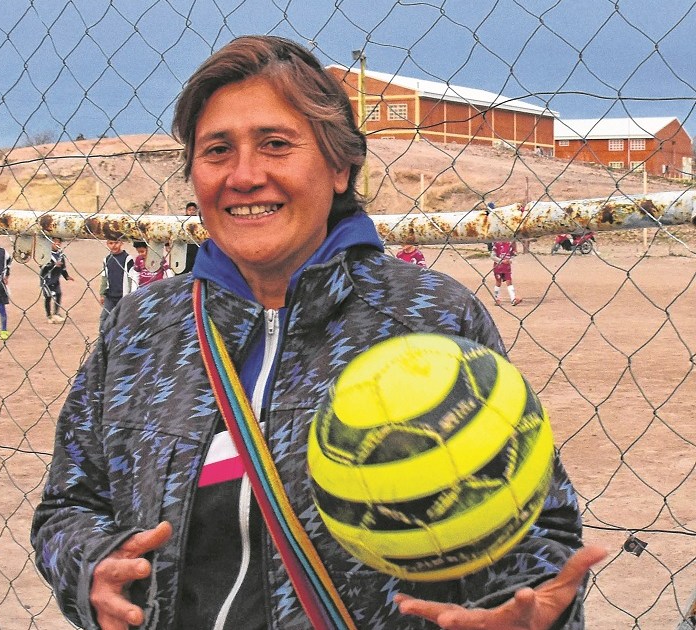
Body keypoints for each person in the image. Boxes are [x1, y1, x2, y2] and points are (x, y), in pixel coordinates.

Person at [32, 35, 604, 630]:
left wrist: (522, 610)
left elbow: (534, 523)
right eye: (217, 151)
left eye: (276, 145)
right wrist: (90, 566)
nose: (244, 176)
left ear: (338, 166)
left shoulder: (429, 316)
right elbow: (68, 505)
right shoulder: (142, 326)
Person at [39, 236, 74, 323]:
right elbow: (42, 265)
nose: (57, 244)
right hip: (46, 280)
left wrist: (66, 276)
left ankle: (56, 313)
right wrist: (53, 264)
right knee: (48, 296)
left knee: (58, 294)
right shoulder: (46, 253)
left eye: (59, 242)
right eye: (55, 242)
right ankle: (49, 315)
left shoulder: (60, 254)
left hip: (55, 280)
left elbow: (63, 267)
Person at [99, 238, 135, 321]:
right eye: (111, 243)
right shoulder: (107, 259)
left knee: (122, 318)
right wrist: (102, 293)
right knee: (104, 317)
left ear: (121, 243)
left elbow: (131, 277)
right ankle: (102, 334)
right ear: (107, 244)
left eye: (116, 243)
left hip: (123, 295)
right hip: (110, 295)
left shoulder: (127, 259)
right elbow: (104, 276)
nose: (114, 245)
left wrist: (131, 294)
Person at [491, 240, 522, 306]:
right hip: (498, 267)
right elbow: (492, 256)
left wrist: (510, 260)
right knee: (498, 282)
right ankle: (496, 299)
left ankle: (513, 299)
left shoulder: (510, 245)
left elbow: (513, 255)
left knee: (509, 282)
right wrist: (502, 261)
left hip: (507, 268)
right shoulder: (497, 244)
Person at [182, 201, 200, 273]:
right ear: (186, 211)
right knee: (184, 267)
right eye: (190, 210)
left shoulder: (199, 220)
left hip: (196, 246)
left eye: (193, 210)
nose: (191, 212)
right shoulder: (182, 220)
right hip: (185, 246)